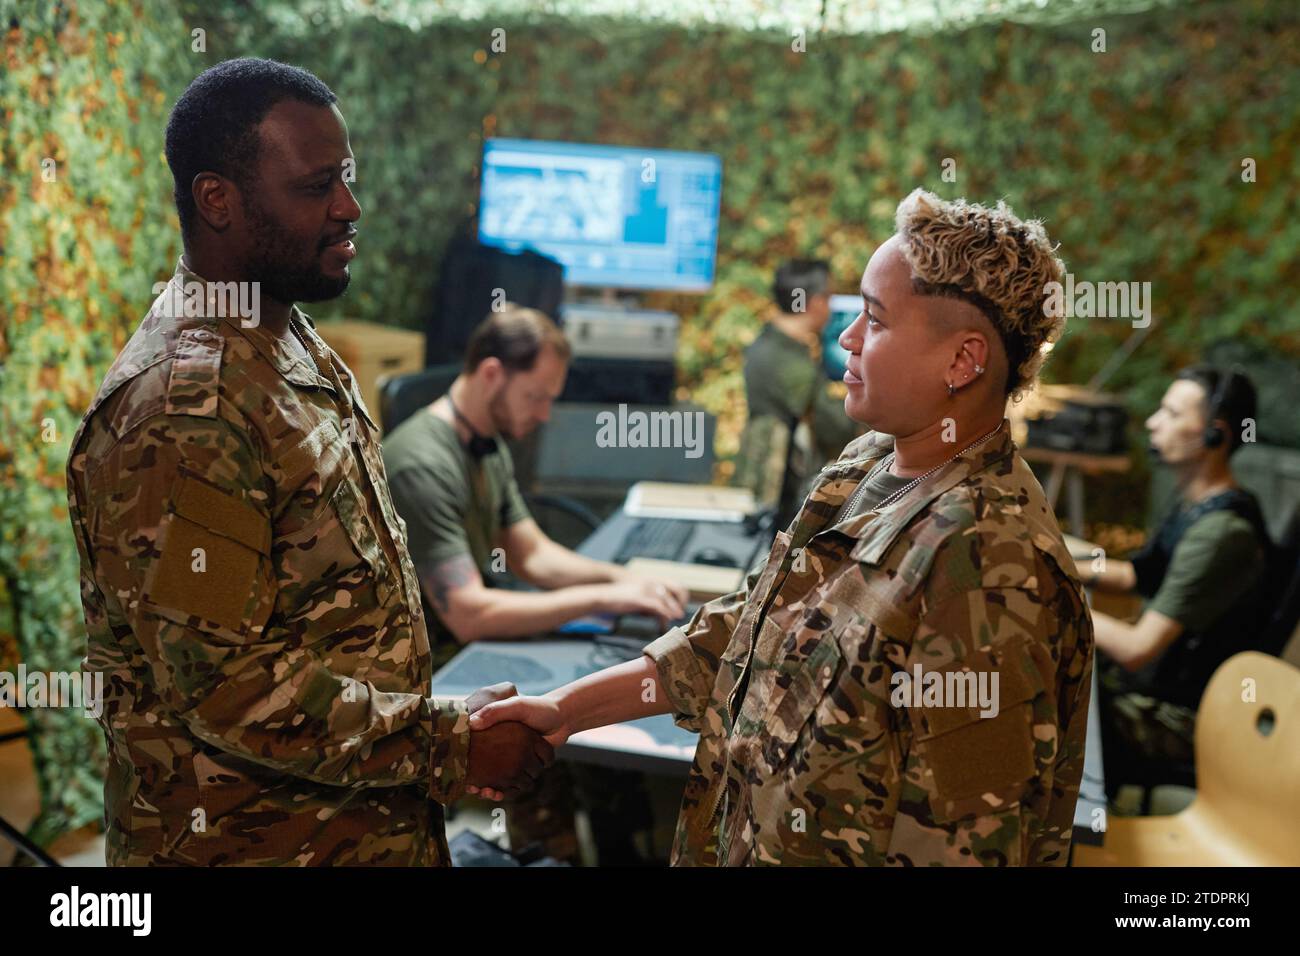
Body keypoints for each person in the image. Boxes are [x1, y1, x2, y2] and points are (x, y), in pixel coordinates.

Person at [467, 188, 1096, 866]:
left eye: (876, 322)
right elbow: (751, 634)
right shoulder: (868, 464)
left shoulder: (989, 562)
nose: (848, 338)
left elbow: (968, 848)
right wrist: (566, 711)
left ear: (962, 361)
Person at [64, 58, 550, 867]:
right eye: (315, 186)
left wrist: (443, 721)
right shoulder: (187, 407)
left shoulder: (276, 332)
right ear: (217, 199)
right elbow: (227, 687)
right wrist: (446, 744)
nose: (348, 207)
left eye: (347, 179)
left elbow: (326, 627)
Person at [382, 305, 689, 864]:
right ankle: (550, 853)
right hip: (438, 666)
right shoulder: (422, 463)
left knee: (596, 706)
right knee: (540, 743)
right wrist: (605, 596)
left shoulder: (484, 442)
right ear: (493, 373)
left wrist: (629, 581)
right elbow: (469, 612)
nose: (545, 413)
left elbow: (533, 555)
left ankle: (620, 847)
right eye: (537, 396)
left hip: (474, 649)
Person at [1087, 367, 1270, 772]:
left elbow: (1137, 649)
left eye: (1171, 414)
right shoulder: (1195, 504)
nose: (1153, 422)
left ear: (1214, 434)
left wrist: (1054, 599)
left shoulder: (1220, 533)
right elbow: (1136, 576)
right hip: (1154, 689)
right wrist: (1052, 555)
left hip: (1181, 718)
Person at [733, 258, 860, 521]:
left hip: (764, 491)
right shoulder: (791, 364)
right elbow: (836, 428)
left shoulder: (767, 345)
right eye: (829, 297)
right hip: (778, 500)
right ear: (815, 303)